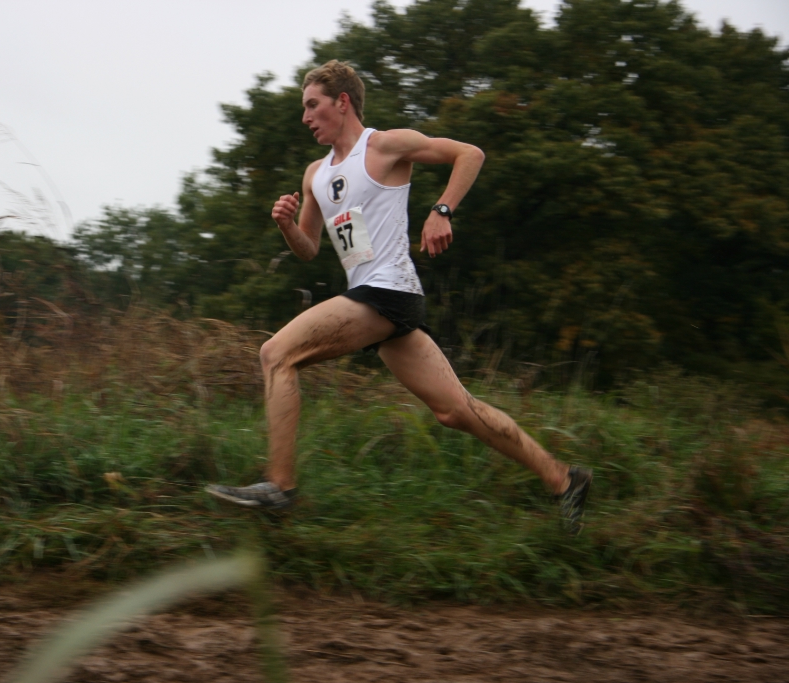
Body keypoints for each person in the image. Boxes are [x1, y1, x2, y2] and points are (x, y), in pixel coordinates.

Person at [207, 60, 592, 533]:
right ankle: (563, 478)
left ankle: (279, 486)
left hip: (387, 290)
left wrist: (442, 210)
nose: (305, 117)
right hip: (378, 299)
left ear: (342, 102)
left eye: (313, 105)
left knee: (275, 354)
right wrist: (287, 225)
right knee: (455, 411)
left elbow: (470, 154)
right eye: (303, 108)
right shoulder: (315, 175)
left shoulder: (385, 146)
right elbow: (308, 250)